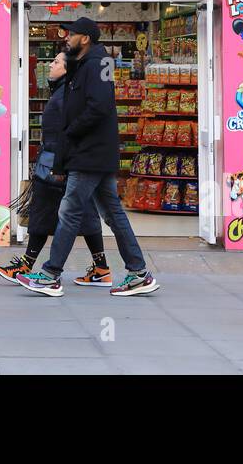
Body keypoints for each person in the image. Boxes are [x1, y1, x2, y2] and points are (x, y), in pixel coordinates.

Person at [17, 17, 158, 298]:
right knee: (113, 213)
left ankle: (50, 274)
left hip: (91, 153)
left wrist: (70, 131)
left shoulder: (99, 64)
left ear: (85, 39)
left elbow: (100, 106)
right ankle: (138, 272)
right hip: (90, 153)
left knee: (69, 211)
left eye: (71, 34)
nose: (66, 38)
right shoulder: (83, 65)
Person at [0, 51, 111, 287]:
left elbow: (65, 134)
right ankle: (101, 268)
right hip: (63, 164)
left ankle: (33, 266)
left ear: (67, 69)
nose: (51, 65)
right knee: (82, 212)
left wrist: (59, 165)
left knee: (44, 211)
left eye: (56, 62)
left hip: (57, 166)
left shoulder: (65, 96)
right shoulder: (64, 92)